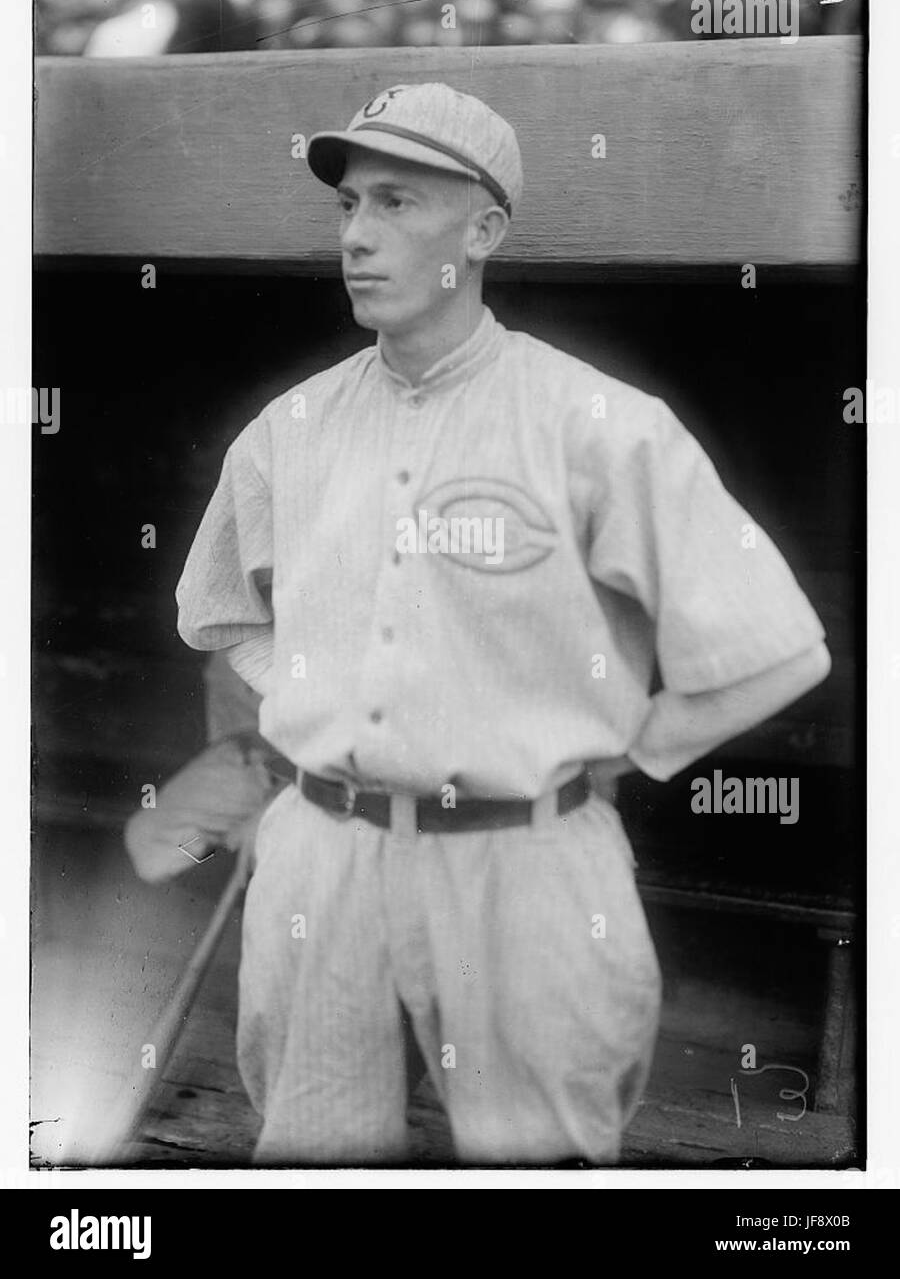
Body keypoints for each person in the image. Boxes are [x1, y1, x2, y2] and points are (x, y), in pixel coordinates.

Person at [175, 82, 831, 1165]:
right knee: (309, 1152)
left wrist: (626, 749)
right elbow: (218, 613)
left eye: (395, 203)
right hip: (320, 857)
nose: (358, 238)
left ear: (483, 230)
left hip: (524, 864)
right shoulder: (286, 430)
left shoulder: (601, 425)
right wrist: (308, 693)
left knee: (540, 1162)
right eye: (348, 207)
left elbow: (774, 647)